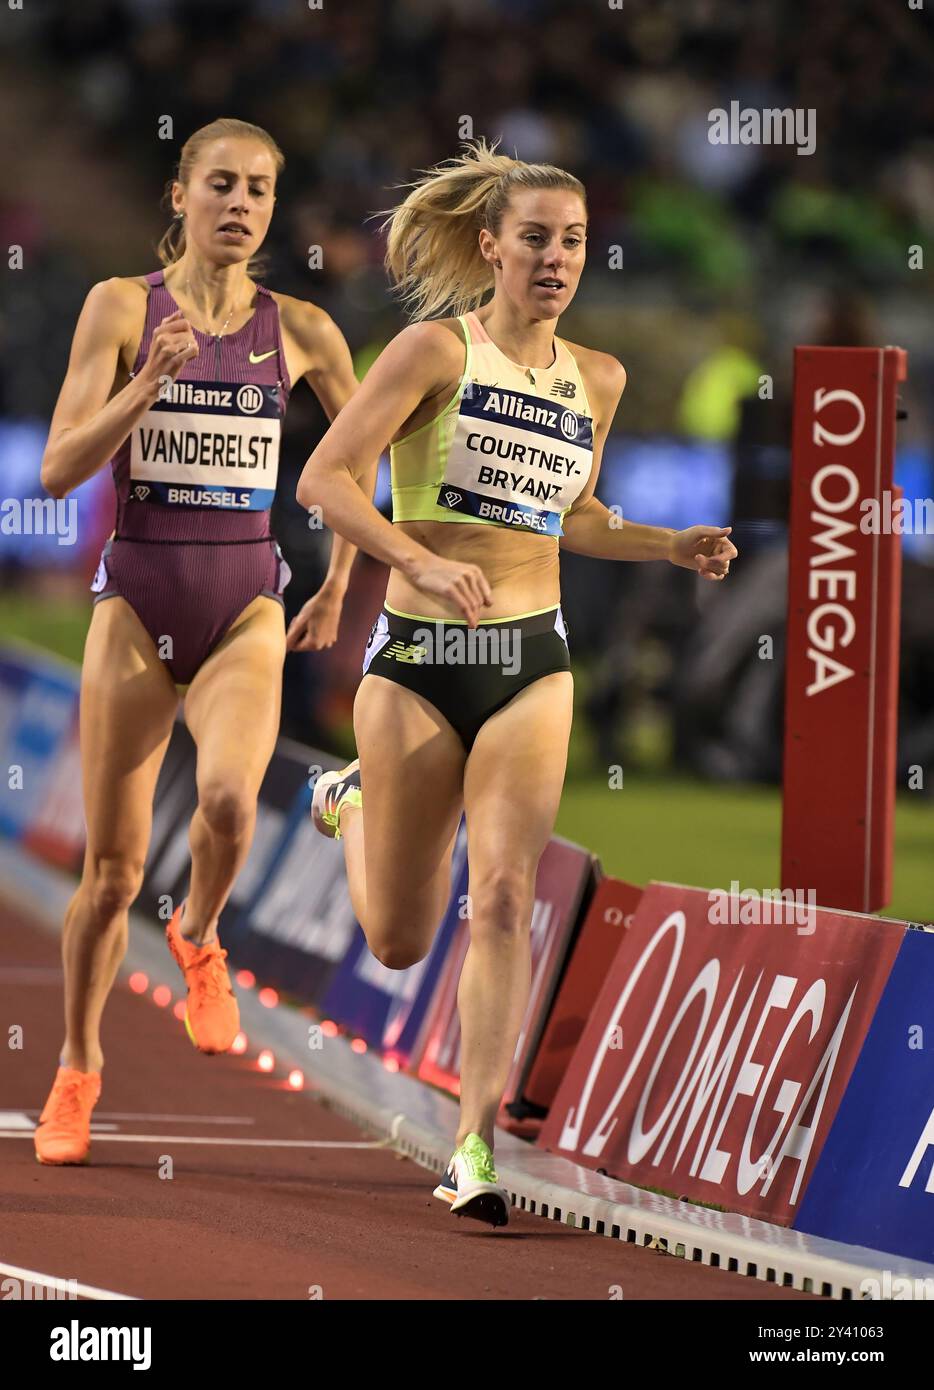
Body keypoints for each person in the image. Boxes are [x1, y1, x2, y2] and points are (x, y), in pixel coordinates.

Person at [298, 141, 736, 1226]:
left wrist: (667, 542)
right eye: (535, 238)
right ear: (489, 245)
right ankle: (349, 802)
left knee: (499, 894)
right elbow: (323, 478)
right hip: (415, 667)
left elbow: (575, 518)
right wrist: (414, 559)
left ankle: (474, 1145)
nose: (555, 259)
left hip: (529, 663)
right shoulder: (429, 353)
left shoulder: (600, 376)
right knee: (398, 936)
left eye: (573, 241)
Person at [34, 117, 373, 1165]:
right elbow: (53, 470)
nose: (239, 204)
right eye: (220, 184)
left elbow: (358, 469)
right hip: (136, 597)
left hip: (245, 601)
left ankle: (201, 934)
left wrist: (339, 583)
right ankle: (77, 1071)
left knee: (231, 798)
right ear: (179, 196)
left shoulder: (305, 329)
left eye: (259, 190)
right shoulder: (120, 307)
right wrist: (145, 385)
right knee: (110, 870)